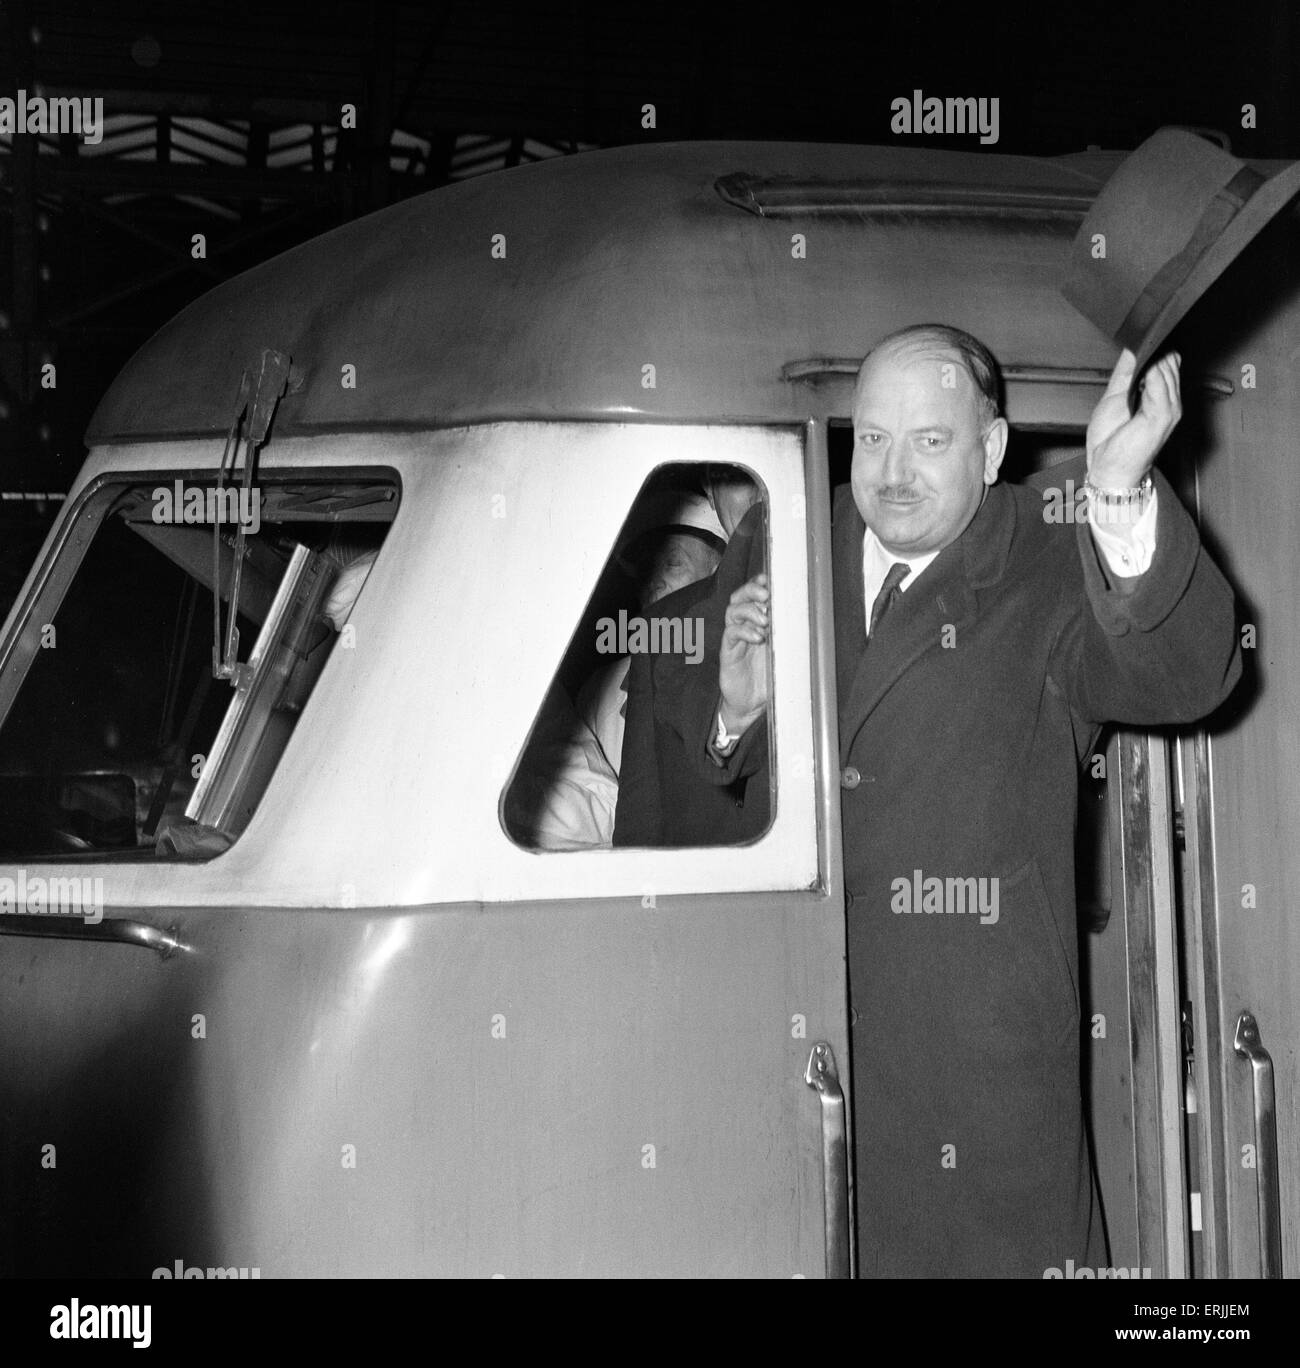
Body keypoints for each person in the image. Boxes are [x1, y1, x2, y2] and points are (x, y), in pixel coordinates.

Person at [688, 324, 1241, 1276]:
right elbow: (727, 800)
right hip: (804, 1043)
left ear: (991, 449)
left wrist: (1115, 491)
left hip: (980, 1076)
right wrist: (735, 718)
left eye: (931, 441)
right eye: (871, 438)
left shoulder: (1049, 561)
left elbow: (1185, 676)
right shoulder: (792, 539)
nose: (893, 473)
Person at [613, 469, 768, 847]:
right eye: (740, 474)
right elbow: (641, 816)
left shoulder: (852, 594)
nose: (762, 487)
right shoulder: (660, 629)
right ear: (713, 494)